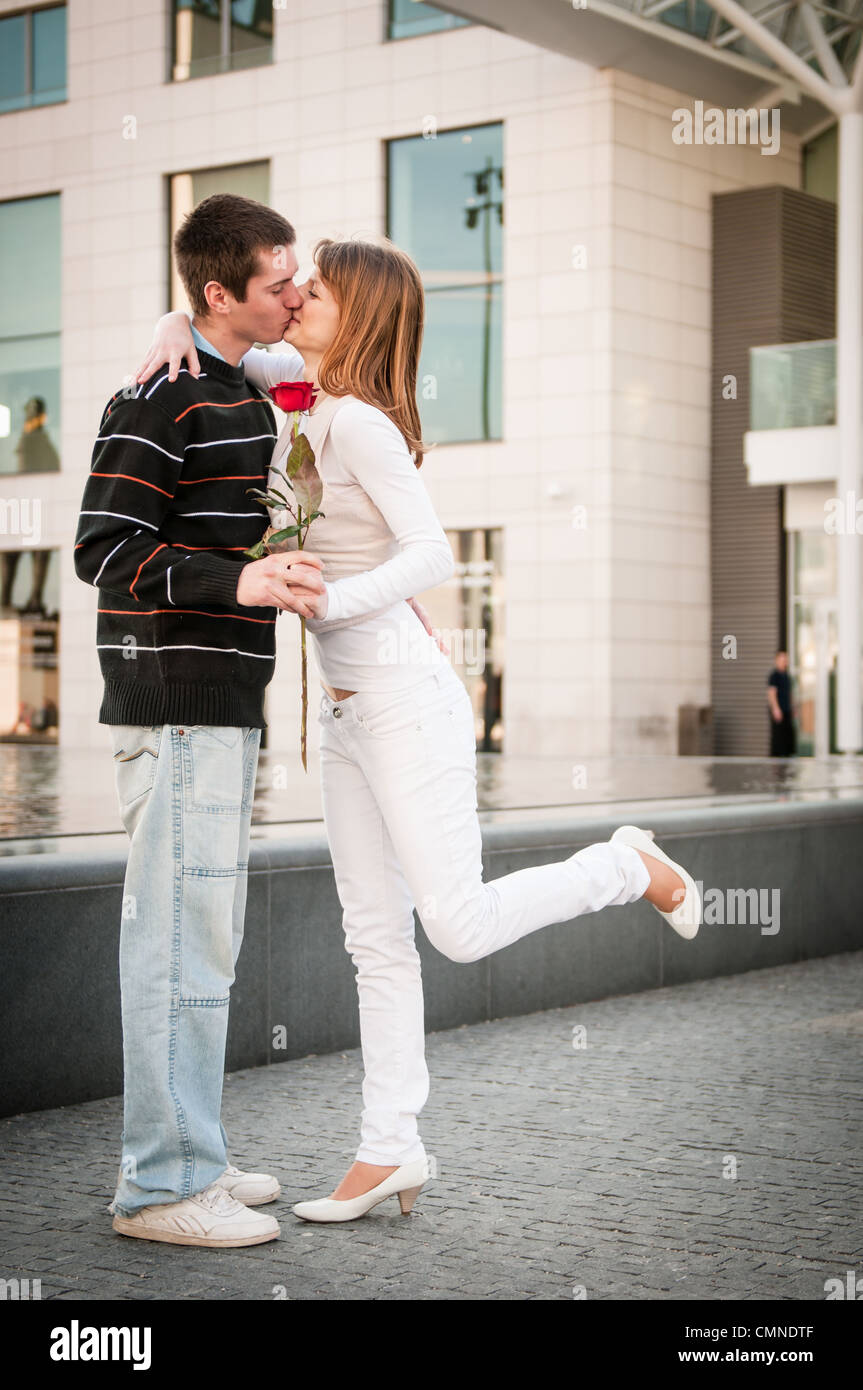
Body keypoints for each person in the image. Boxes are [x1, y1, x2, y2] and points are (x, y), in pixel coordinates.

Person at [138, 232, 703, 1227]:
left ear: (361, 312)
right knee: (373, 940)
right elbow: (213, 330)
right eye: (299, 279)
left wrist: (332, 600)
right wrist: (168, 323)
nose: (300, 291)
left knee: (456, 923)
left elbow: (432, 553)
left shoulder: (358, 424)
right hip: (347, 717)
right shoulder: (297, 392)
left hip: (404, 700)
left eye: (320, 285)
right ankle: (388, 1150)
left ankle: (627, 863)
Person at [74, 193, 330, 1248]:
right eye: (277, 281)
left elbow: (315, 358)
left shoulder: (236, 374)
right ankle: (161, 1188)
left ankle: (196, 1155)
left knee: (204, 942)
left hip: (220, 702)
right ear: (220, 291)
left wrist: (181, 319)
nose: (297, 294)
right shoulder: (160, 394)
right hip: (175, 701)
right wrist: (245, 581)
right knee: (178, 945)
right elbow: (103, 548)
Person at [767, 650, 796, 756]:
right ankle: (777, 759)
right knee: (778, 736)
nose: (784, 662)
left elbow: (789, 693)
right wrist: (776, 708)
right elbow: (772, 693)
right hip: (779, 710)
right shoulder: (774, 676)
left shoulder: (787, 676)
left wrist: (793, 707)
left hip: (787, 709)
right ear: (777, 660)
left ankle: (787, 756)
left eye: (786, 659)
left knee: (787, 735)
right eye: (782, 659)